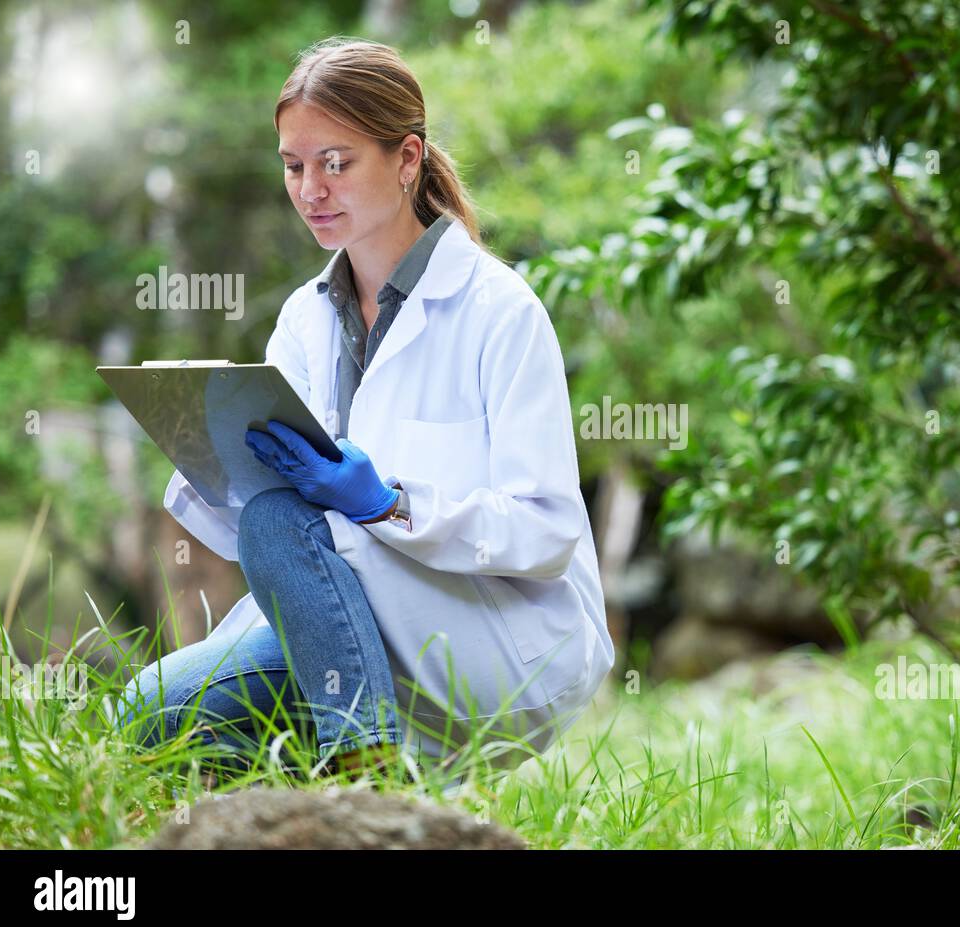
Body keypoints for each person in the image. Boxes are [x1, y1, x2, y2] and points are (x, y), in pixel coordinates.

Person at [113, 37, 615, 785]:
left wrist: (386, 504)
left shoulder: (499, 312)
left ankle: (366, 780)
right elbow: (257, 528)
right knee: (148, 713)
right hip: (343, 620)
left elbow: (545, 531)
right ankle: (317, 796)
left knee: (280, 522)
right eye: (293, 165)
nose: (310, 188)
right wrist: (207, 446)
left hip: (493, 633)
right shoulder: (304, 319)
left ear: (407, 159)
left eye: (334, 162)